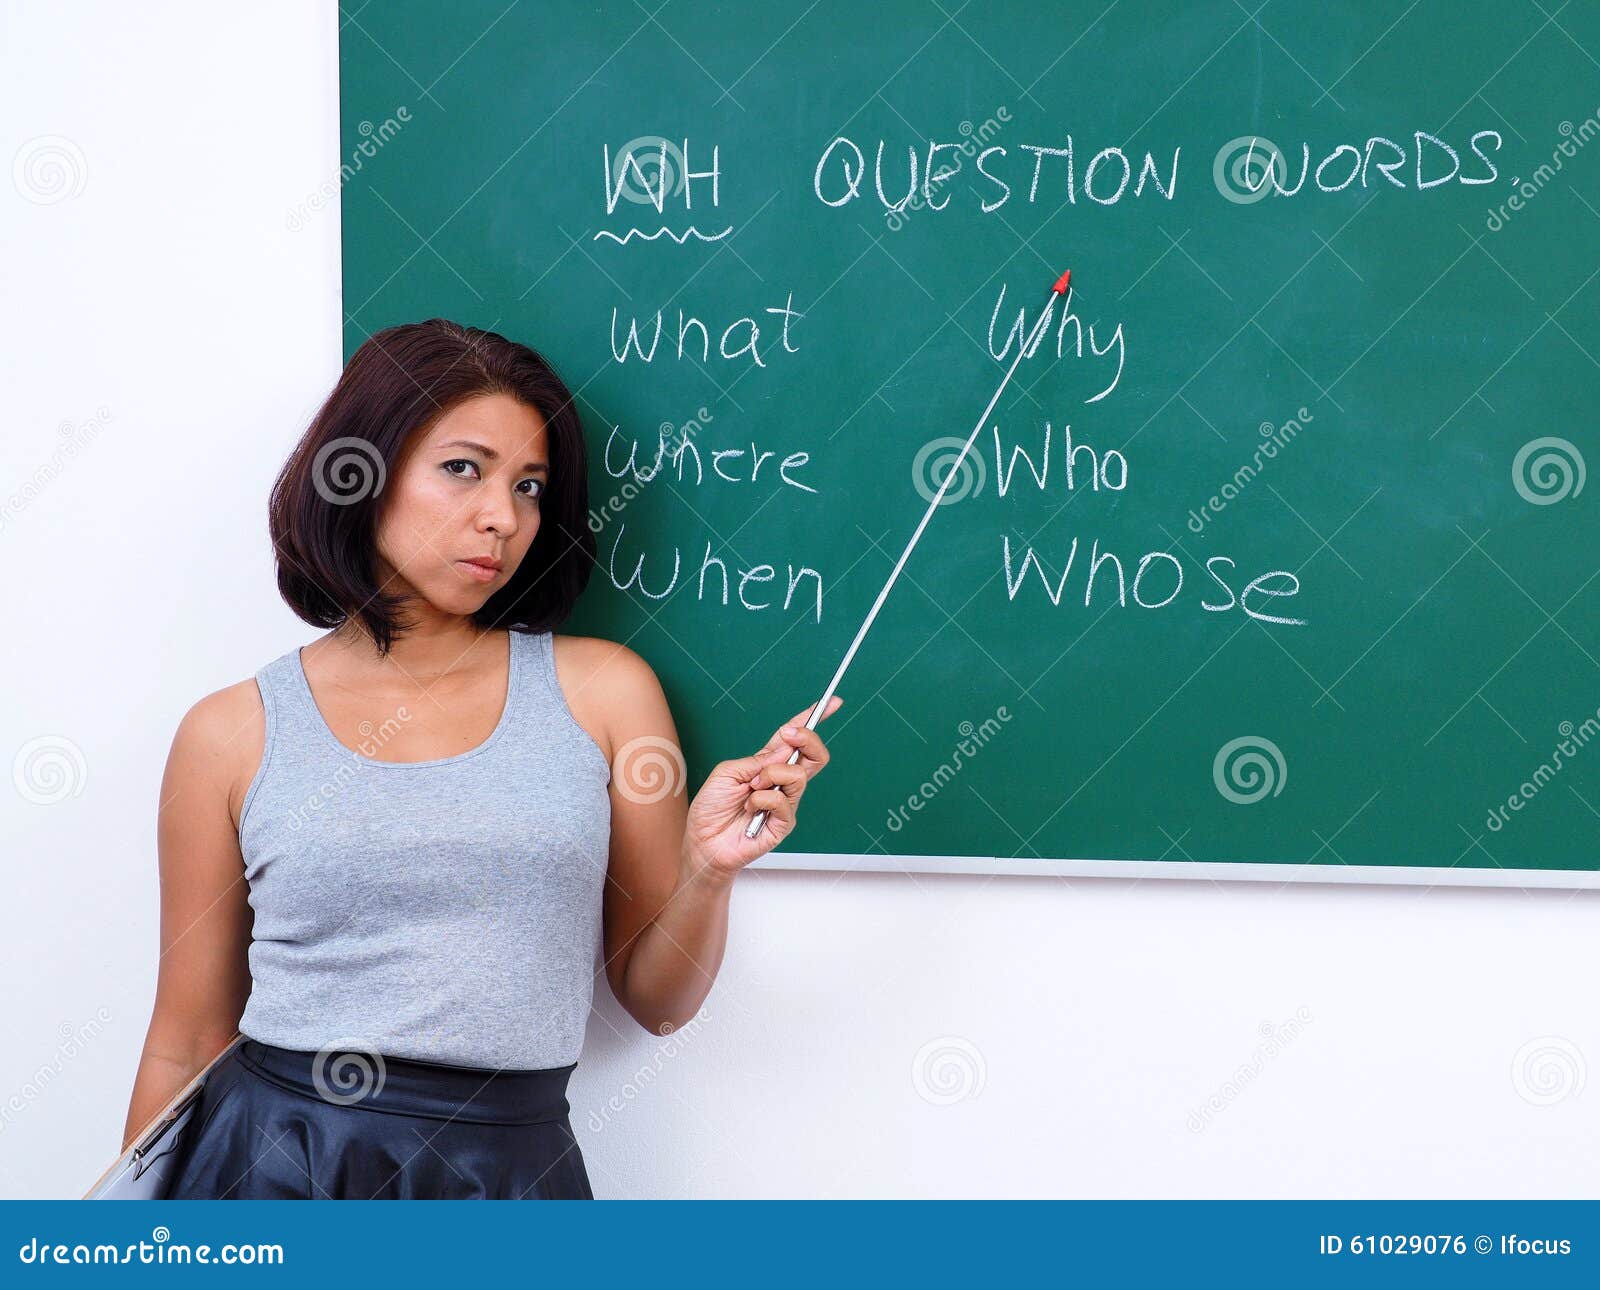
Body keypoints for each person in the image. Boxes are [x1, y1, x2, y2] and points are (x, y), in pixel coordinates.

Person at [121, 318, 840, 1199]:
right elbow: (185, 1040)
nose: (503, 517)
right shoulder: (229, 732)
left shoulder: (606, 693)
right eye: (462, 468)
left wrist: (707, 870)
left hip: (508, 1172)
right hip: (270, 1168)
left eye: (531, 487)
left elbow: (658, 1004)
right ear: (365, 469)